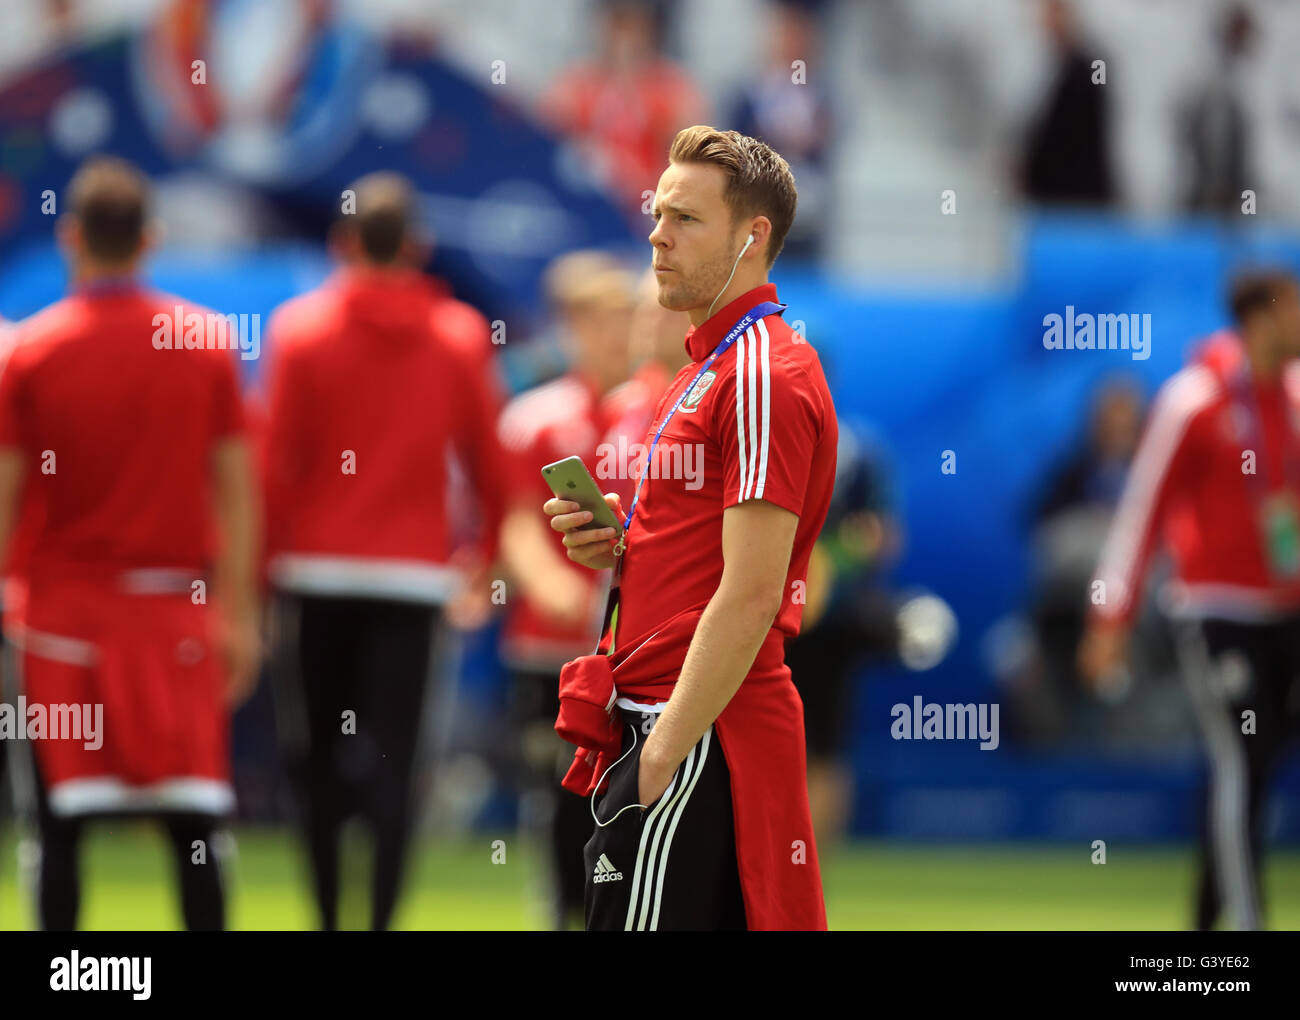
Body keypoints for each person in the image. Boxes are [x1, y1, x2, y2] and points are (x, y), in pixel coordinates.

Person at [545, 126, 837, 930]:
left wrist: (661, 755)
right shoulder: (711, 365)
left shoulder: (758, 373)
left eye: (684, 219)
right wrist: (622, 547)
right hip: (682, 718)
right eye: (658, 213)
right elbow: (712, 555)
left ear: (754, 237)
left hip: (693, 725)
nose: (656, 235)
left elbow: (750, 594)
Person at [0, 155, 259, 930]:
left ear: (71, 236)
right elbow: (238, 493)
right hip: (176, 618)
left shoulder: (31, 353)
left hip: (58, 621)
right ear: (150, 239)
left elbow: (6, 495)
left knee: (57, 825)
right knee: (195, 821)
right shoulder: (207, 344)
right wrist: (240, 612)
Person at [262, 171, 508, 930]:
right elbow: (492, 466)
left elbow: (276, 465)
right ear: (419, 248)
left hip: (315, 575)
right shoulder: (459, 337)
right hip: (411, 581)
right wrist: (486, 559)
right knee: (398, 768)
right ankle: (379, 924)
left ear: (342, 244)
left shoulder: (301, 332)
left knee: (317, 766)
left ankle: (330, 918)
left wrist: (254, 580)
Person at [1079, 270, 1300, 930]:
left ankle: (1204, 927)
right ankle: (1251, 925)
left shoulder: (1292, 401)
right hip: (1216, 613)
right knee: (1241, 758)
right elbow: (1141, 513)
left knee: (1250, 771)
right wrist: (1110, 616)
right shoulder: (1193, 400)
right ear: (1261, 316)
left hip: (1288, 614)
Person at [496, 253, 645, 928]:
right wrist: (547, 580)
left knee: (626, 784)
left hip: (632, 640)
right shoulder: (538, 419)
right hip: (553, 642)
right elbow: (516, 519)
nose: (614, 332)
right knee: (556, 783)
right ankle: (559, 903)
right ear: (569, 326)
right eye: (596, 318)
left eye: (624, 315)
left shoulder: (657, 413)